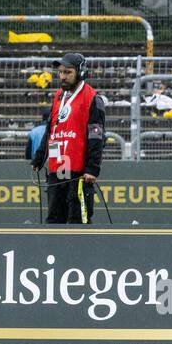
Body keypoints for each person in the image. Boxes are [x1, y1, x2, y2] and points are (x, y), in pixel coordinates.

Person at [30, 52, 106, 224]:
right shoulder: (58, 96)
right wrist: (40, 156)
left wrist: (92, 169)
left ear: (80, 72)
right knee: (53, 220)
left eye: (67, 72)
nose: (62, 76)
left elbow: (96, 136)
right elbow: (51, 129)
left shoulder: (92, 98)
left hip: (79, 173)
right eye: (61, 72)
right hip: (57, 170)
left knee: (77, 221)